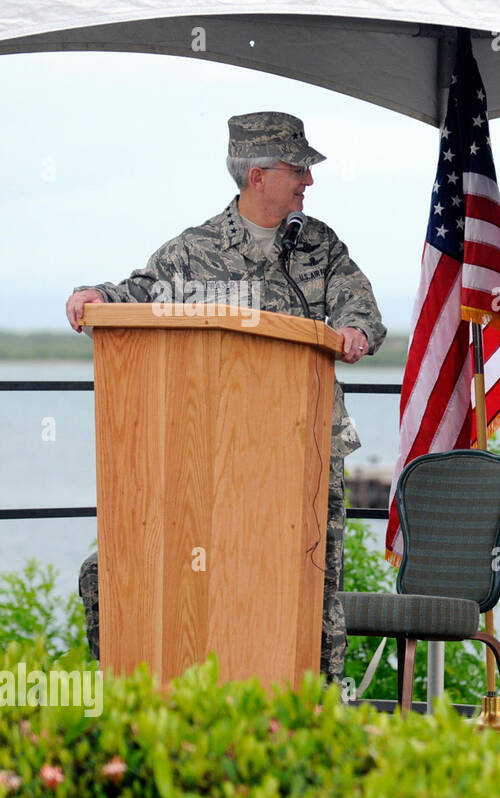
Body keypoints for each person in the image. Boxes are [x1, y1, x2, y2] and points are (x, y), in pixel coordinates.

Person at [66, 111, 386, 681]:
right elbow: (137, 294)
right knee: (205, 573)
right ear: (257, 175)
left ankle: (319, 704)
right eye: (298, 169)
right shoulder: (194, 250)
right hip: (209, 454)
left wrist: (356, 329)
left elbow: (360, 307)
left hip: (303, 449)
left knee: (313, 579)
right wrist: (96, 294)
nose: (308, 181)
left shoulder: (319, 245)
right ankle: (204, 691)